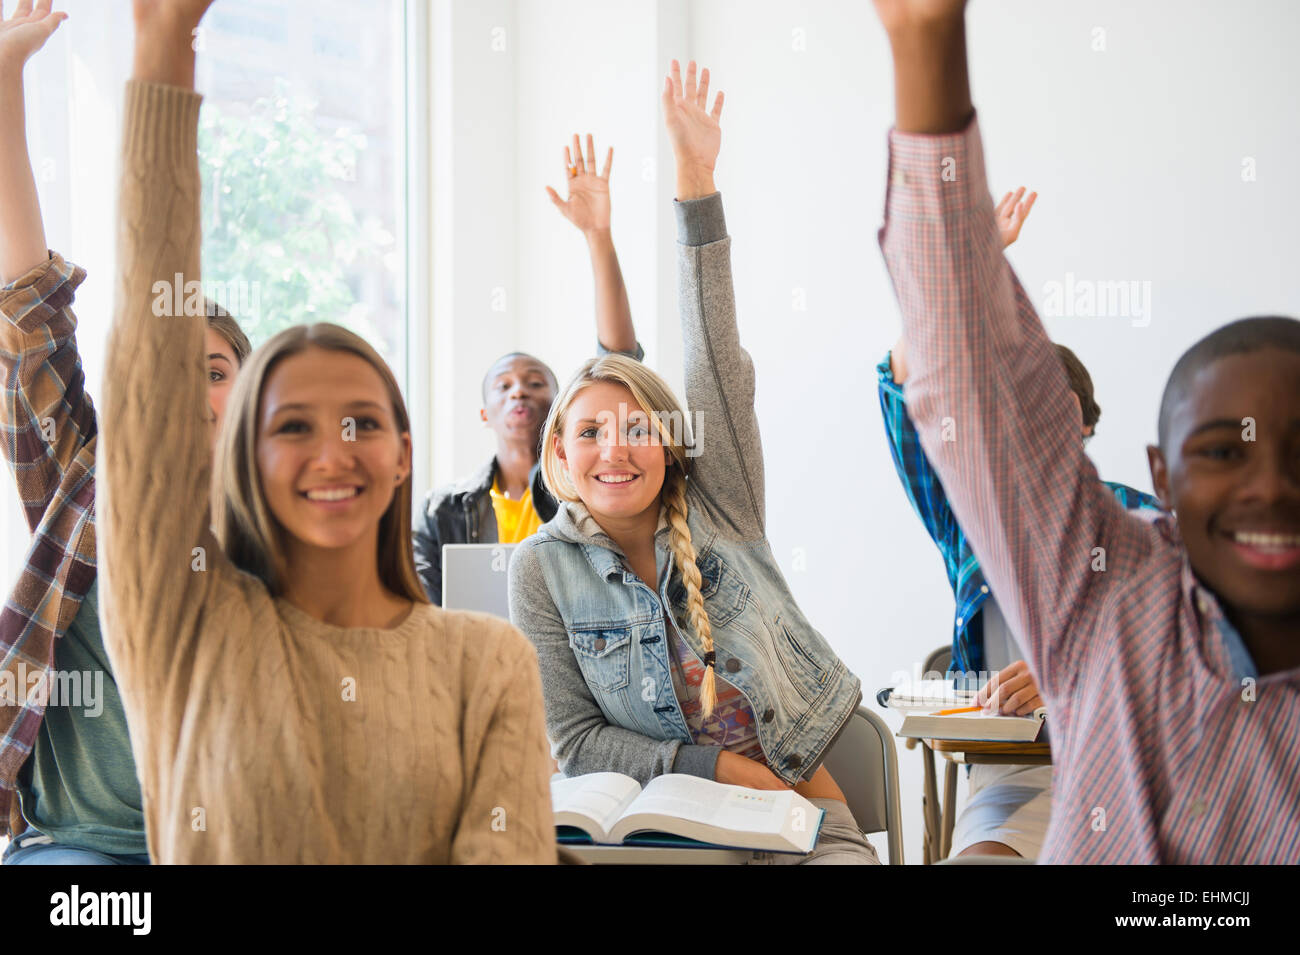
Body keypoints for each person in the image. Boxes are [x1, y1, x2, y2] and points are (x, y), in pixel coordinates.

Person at [95, 0, 555, 864]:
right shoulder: (185, 621)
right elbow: (145, 380)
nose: (332, 451)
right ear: (245, 452)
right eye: (293, 426)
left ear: (403, 453)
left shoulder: (487, 663)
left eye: (362, 422)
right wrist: (162, 41)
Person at [872, 0, 1300, 863]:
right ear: (1164, 478)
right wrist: (926, 40)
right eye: (1224, 450)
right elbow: (966, 379)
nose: (1269, 485)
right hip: (1022, 777)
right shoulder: (1108, 586)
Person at [509, 60, 878, 865]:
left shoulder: (723, 499)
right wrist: (716, 768)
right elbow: (575, 738)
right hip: (663, 835)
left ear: (674, 443)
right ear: (561, 456)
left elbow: (710, 353)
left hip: (797, 812)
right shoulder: (541, 569)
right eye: (591, 434)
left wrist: (695, 181)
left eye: (639, 428)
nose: (615, 449)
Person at [0, 0, 250, 865]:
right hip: (80, 849)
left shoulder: (280, 523)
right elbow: (29, 306)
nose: (187, 391)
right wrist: (5, 86)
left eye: (214, 372)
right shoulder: (84, 476)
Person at [878, 191, 1162, 859]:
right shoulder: (969, 521)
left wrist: (1069, 668)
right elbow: (900, 386)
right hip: (1015, 781)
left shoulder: (1146, 518)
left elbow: (1196, 635)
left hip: (1126, 776)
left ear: (1084, 424)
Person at [414, 134, 641, 605]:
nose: (519, 393)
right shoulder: (443, 510)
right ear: (485, 414)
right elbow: (422, 613)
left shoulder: (585, 489)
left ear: (559, 411)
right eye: (504, 386)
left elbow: (619, 366)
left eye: (536, 384)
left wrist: (598, 236)